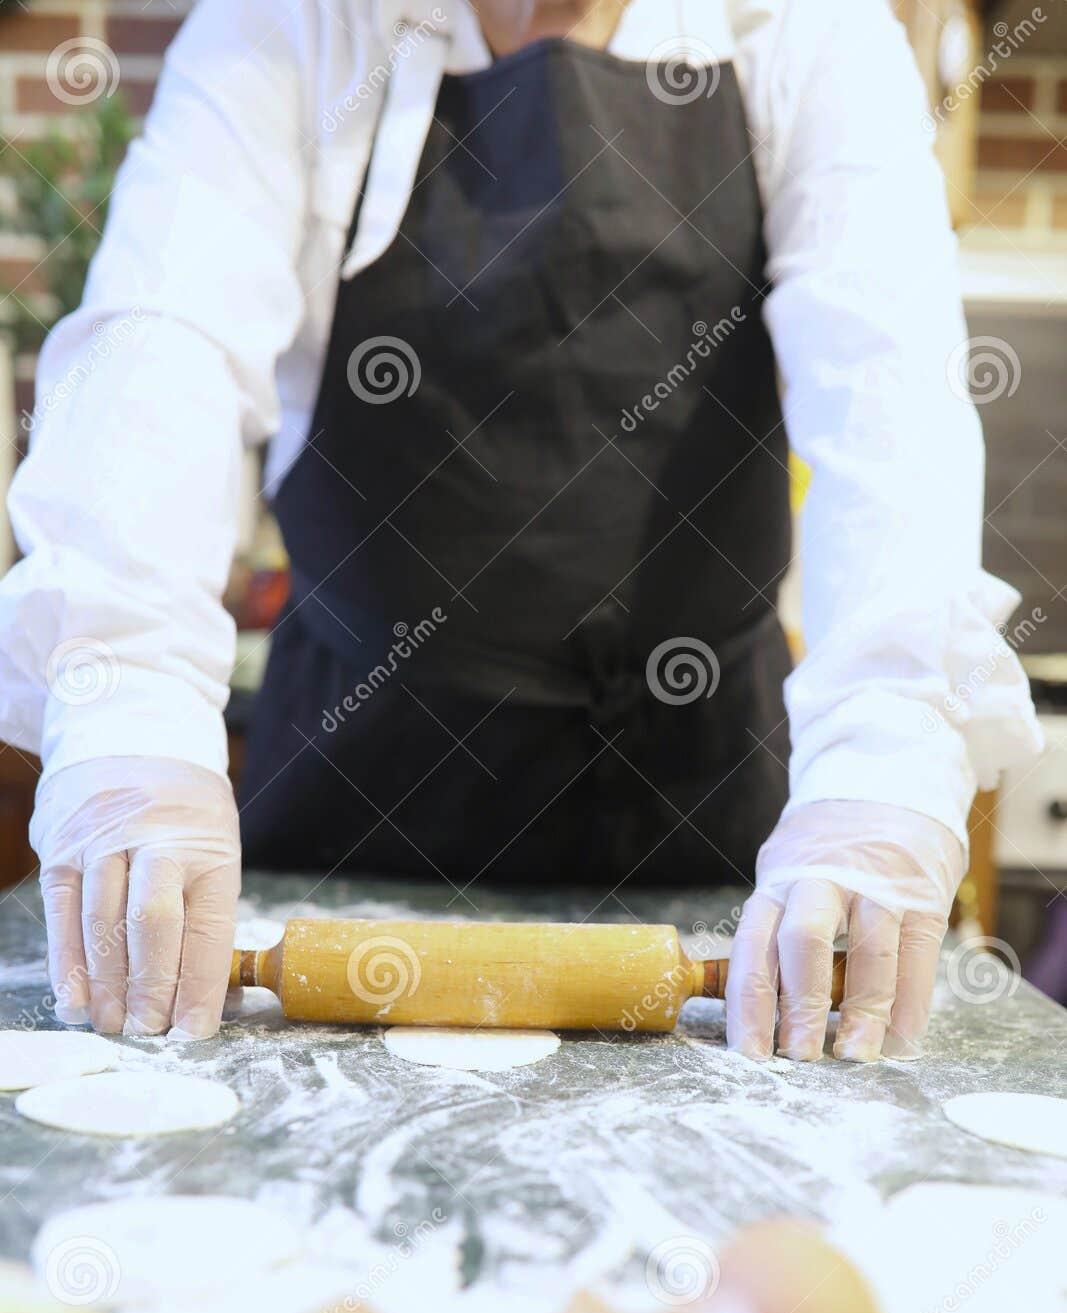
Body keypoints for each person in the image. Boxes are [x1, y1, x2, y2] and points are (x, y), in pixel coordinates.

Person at [0, 0, 1041, 1060]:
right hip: (345, 807)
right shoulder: (295, 24)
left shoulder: (803, 29)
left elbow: (886, 396)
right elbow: (162, 346)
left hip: (709, 842)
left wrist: (882, 764)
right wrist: (124, 703)